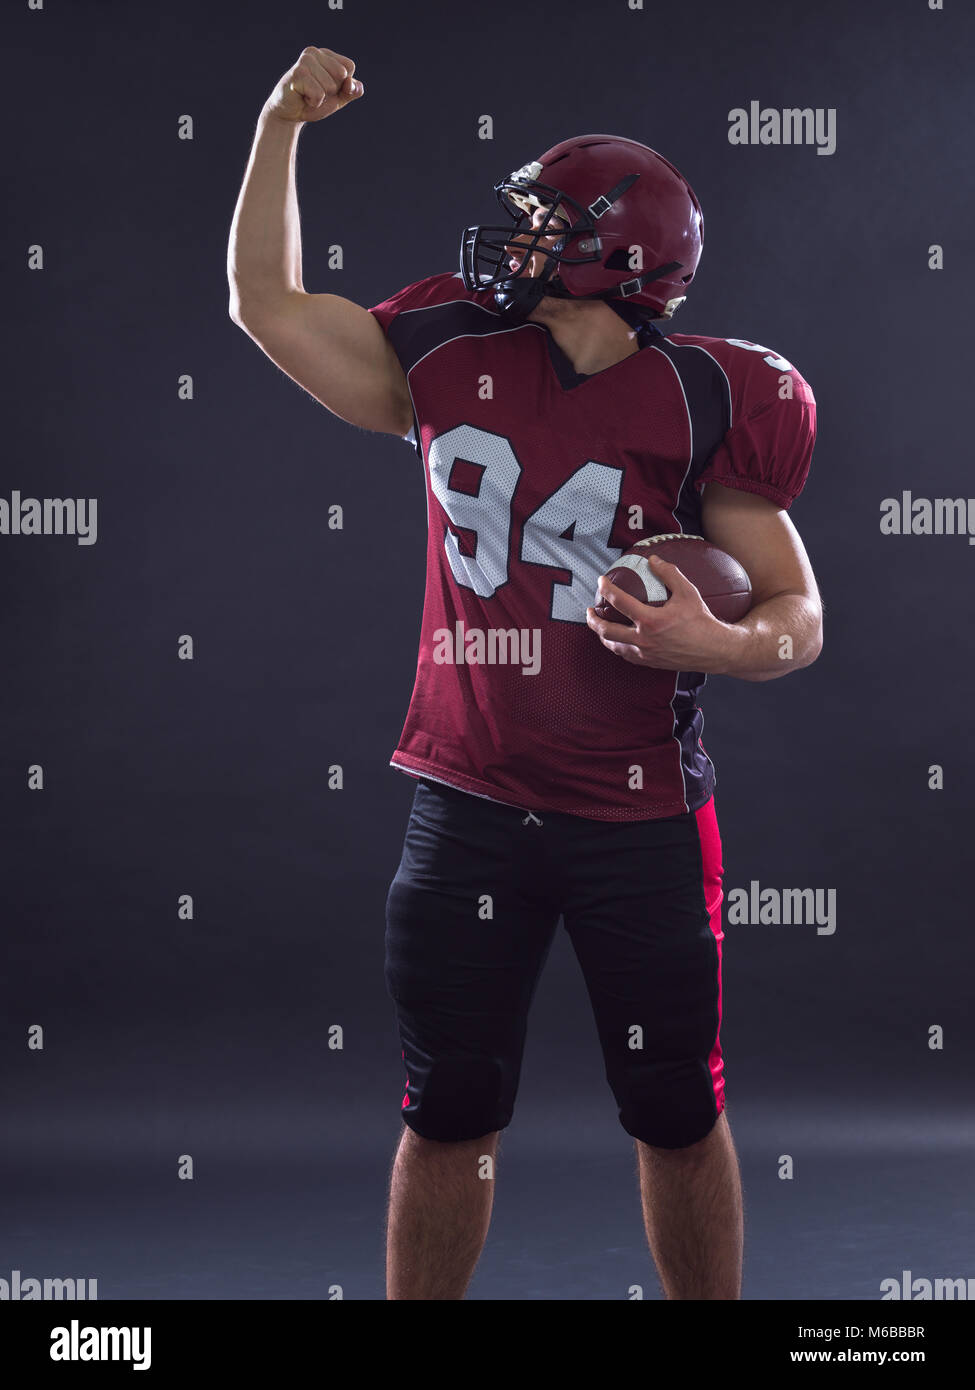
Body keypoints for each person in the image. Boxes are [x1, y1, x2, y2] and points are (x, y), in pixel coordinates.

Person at [227, 46, 823, 1301]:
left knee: (672, 1110)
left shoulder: (716, 392)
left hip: (643, 815)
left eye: (546, 224)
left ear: (622, 257)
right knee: (447, 1112)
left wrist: (718, 644)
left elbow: (798, 613)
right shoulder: (445, 343)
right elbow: (264, 302)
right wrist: (280, 125)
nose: (513, 239)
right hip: (468, 800)